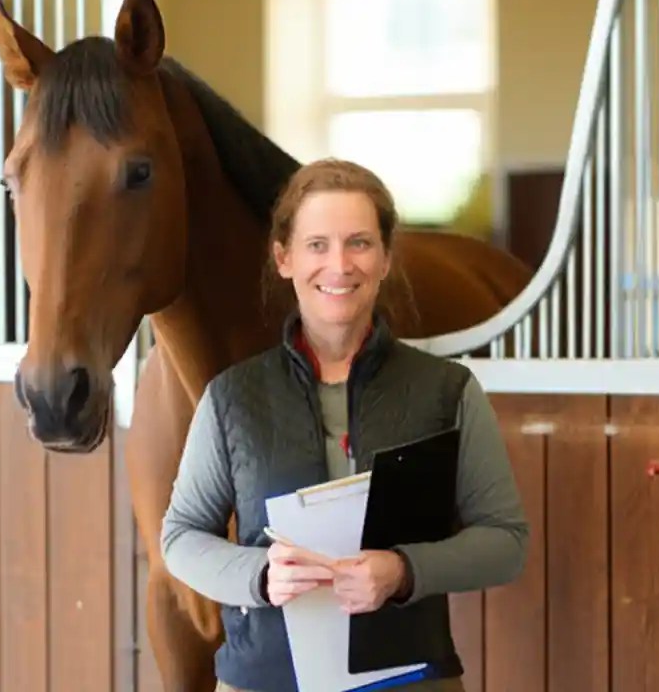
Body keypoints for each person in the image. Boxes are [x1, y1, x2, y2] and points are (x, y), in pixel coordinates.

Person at [160, 158, 529, 692]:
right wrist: (260, 577)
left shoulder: (448, 391)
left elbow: (506, 542)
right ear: (284, 258)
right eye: (317, 245)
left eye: (359, 243)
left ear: (384, 259)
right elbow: (181, 537)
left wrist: (403, 571)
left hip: (411, 682)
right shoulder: (231, 399)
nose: (339, 264)